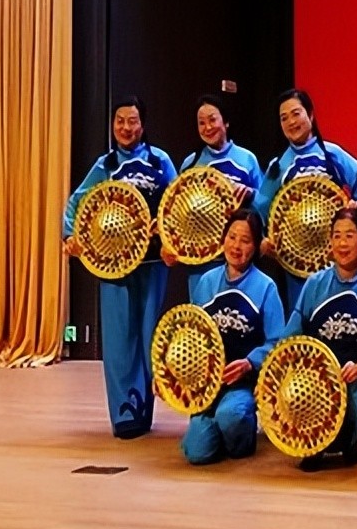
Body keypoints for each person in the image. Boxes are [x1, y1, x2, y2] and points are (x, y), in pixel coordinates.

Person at [62, 96, 177, 439]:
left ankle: (144, 411)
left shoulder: (160, 161)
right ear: (114, 126)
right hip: (113, 266)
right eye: (120, 121)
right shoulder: (105, 165)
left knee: (147, 337)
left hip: (153, 263)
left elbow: (176, 200)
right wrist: (71, 236)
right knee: (118, 341)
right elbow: (77, 201)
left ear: (143, 125)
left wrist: (171, 238)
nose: (126, 128)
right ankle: (124, 414)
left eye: (132, 121)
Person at [280, 207, 357, 470]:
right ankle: (313, 443)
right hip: (315, 380)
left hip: (355, 378)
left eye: (350, 236)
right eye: (337, 236)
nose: (343, 243)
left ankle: (350, 441)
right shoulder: (314, 284)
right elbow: (292, 336)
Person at [180, 209, 284, 465]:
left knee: (232, 417)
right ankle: (212, 427)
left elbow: (277, 342)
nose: (236, 246)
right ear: (223, 238)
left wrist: (249, 362)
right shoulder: (206, 282)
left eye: (245, 240)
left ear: (257, 246)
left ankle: (242, 432)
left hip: (243, 382)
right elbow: (188, 335)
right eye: (232, 237)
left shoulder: (266, 287)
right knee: (197, 454)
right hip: (208, 384)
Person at [255, 88, 357, 312]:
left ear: (311, 115)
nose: (291, 122)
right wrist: (264, 240)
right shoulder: (279, 165)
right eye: (284, 118)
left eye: (296, 114)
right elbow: (259, 208)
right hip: (297, 263)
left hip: (339, 256)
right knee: (305, 318)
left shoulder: (332, 154)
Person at [163, 94, 264, 298]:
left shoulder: (246, 159)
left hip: (239, 257)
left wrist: (251, 194)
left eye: (212, 120)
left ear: (225, 122)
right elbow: (174, 213)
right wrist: (169, 244)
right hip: (200, 261)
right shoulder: (190, 165)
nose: (207, 127)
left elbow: (264, 204)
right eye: (201, 123)